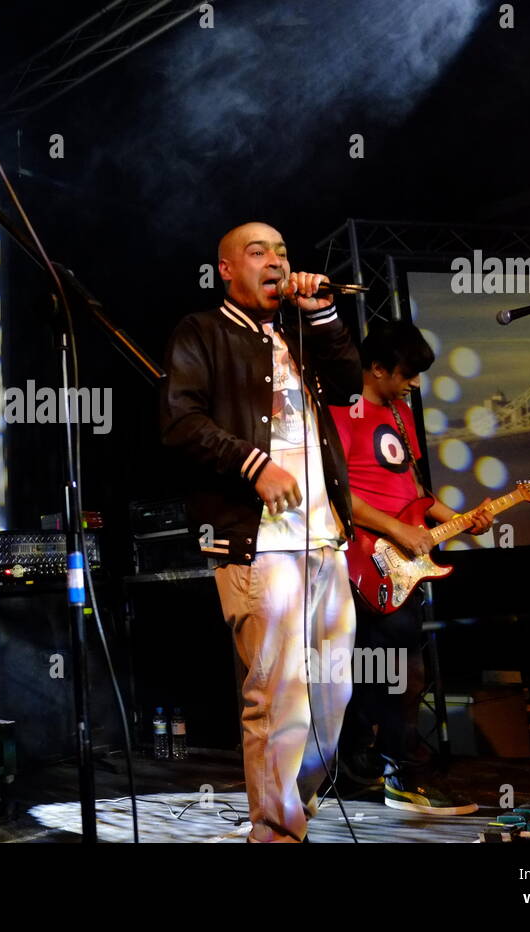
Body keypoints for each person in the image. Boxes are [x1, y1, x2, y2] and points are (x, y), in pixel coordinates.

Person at [161, 222, 361, 843]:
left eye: (282, 251)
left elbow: (350, 386)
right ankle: (274, 831)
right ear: (226, 268)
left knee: (332, 693)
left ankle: (294, 807)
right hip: (258, 540)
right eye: (258, 252)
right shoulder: (202, 331)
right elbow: (180, 420)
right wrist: (254, 464)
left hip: (322, 535)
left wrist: (321, 312)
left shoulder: (301, 331)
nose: (275, 261)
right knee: (279, 695)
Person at [329, 320, 492, 815]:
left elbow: (414, 492)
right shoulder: (341, 410)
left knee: (396, 670)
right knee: (388, 672)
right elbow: (337, 495)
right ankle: (388, 776)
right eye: (407, 374)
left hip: (404, 564)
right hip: (367, 560)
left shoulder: (399, 413)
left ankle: (383, 777)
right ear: (377, 368)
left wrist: (462, 519)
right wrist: (397, 531)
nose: (415, 384)